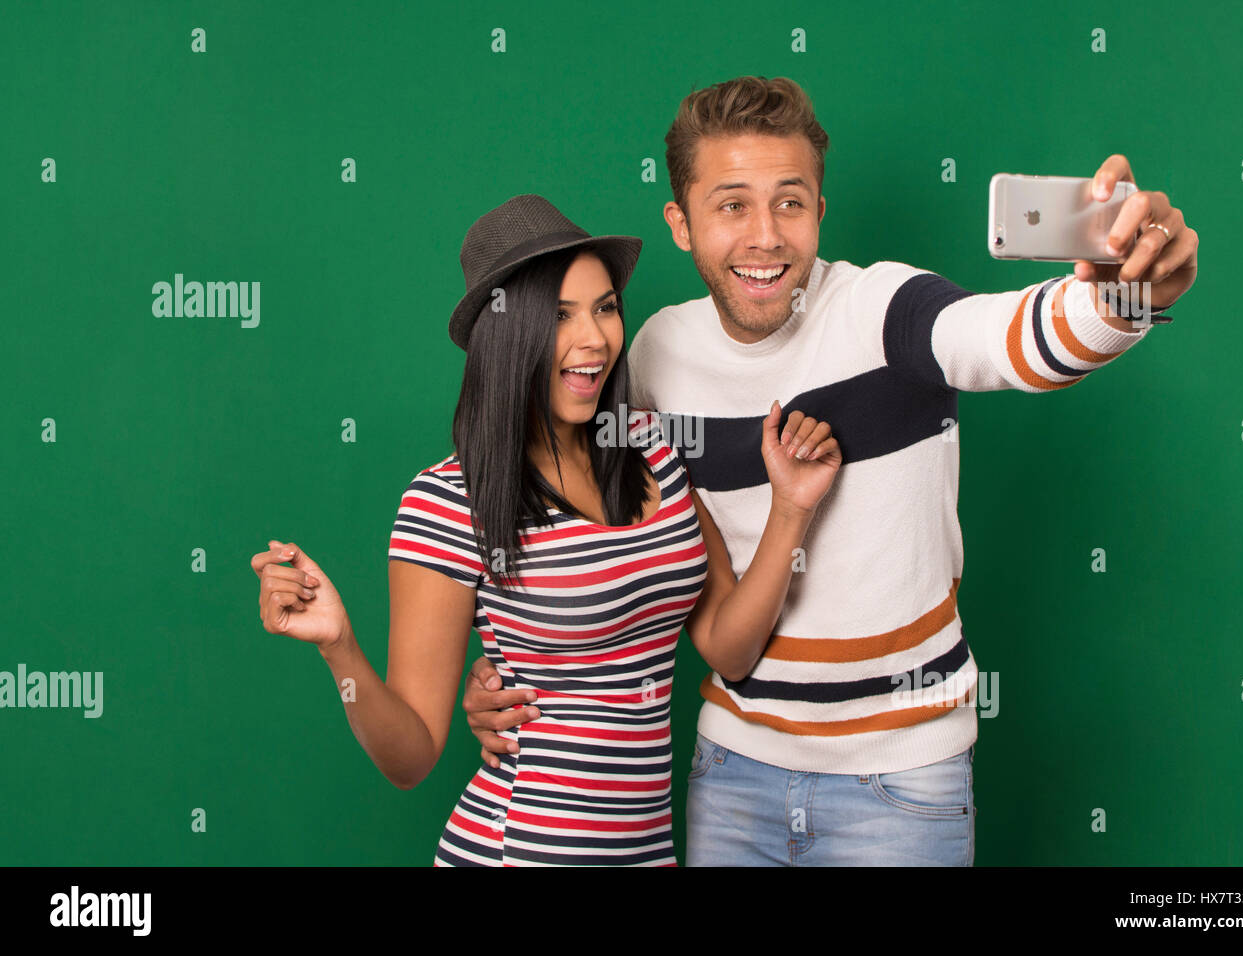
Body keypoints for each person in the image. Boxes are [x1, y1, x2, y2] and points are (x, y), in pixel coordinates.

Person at [463, 76, 1200, 866]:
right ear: (681, 223)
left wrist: (1125, 298)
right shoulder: (652, 360)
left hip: (902, 787)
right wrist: (512, 676)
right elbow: (610, 541)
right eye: (731, 204)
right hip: (731, 775)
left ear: (820, 210)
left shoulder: (884, 308)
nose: (765, 236)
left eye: (790, 201)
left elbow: (1010, 339)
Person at [249, 194, 843, 865]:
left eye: (605, 307)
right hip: (518, 849)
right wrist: (339, 647)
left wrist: (791, 511)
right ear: (507, 333)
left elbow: (729, 649)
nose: (595, 339)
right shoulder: (448, 502)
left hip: (644, 853)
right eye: (560, 316)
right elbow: (412, 757)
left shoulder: (652, 447)